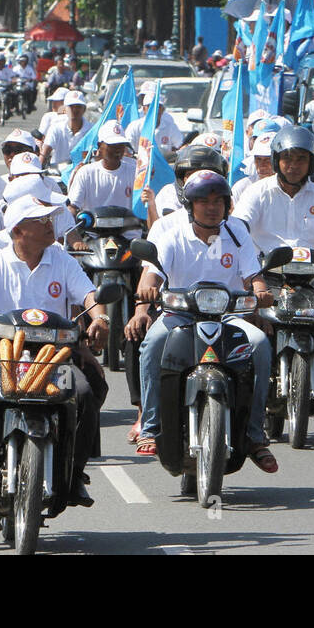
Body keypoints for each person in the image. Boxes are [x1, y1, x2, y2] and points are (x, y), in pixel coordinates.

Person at [0, 195, 111, 505]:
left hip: (56, 352)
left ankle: (75, 472)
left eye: (50, 219)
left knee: (87, 391)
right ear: (19, 230)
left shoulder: (62, 259)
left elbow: (89, 294)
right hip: (1, 350)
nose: (51, 225)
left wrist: (100, 317)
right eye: (42, 221)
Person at [123, 171, 278, 471]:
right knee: (152, 345)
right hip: (180, 314)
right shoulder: (172, 236)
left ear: (227, 205)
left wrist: (261, 292)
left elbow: (253, 275)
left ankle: (256, 435)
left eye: (218, 201)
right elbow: (152, 273)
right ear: (190, 205)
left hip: (229, 315)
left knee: (259, 344)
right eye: (203, 201)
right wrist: (146, 293)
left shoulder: (237, 234)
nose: (212, 207)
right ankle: (151, 425)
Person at [231, 125, 314, 407]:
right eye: (287, 158)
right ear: (277, 160)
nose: (293, 165)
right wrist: (248, 265)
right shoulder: (257, 192)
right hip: (268, 275)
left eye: (301, 159)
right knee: (242, 311)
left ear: (311, 163)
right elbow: (239, 227)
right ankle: (243, 377)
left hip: (313, 276)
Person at [67, 122, 137, 217]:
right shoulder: (86, 173)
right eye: (112, 145)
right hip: (93, 230)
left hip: (127, 230)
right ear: (100, 146)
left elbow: (142, 205)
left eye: (121, 145)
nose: (117, 150)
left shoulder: (134, 172)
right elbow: (73, 206)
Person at [0, 130, 39, 214]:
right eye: (7, 150)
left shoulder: (50, 186)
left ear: (35, 153)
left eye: (19, 150)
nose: (12, 154)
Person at [40, 90, 91, 168]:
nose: (74, 110)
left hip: (82, 174)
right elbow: (45, 153)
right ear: (64, 109)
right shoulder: (56, 128)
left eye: (78, 106)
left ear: (84, 109)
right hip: (56, 175)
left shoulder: (91, 130)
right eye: (71, 106)